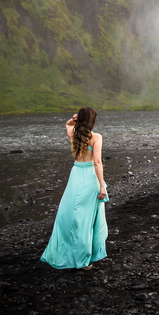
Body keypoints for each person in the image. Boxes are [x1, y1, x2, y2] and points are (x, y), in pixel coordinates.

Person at [40, 106, 108, 270]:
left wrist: (73, 119)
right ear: (91, 121)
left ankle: (68, 252)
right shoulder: (96, 137)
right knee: (85, 219)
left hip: (76, 174)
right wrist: (102, 185)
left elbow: (67, 124)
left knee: (72, 215)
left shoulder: (73, 134)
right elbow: (97, 162)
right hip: (89, 178)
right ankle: (83, 259)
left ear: (80, 119)